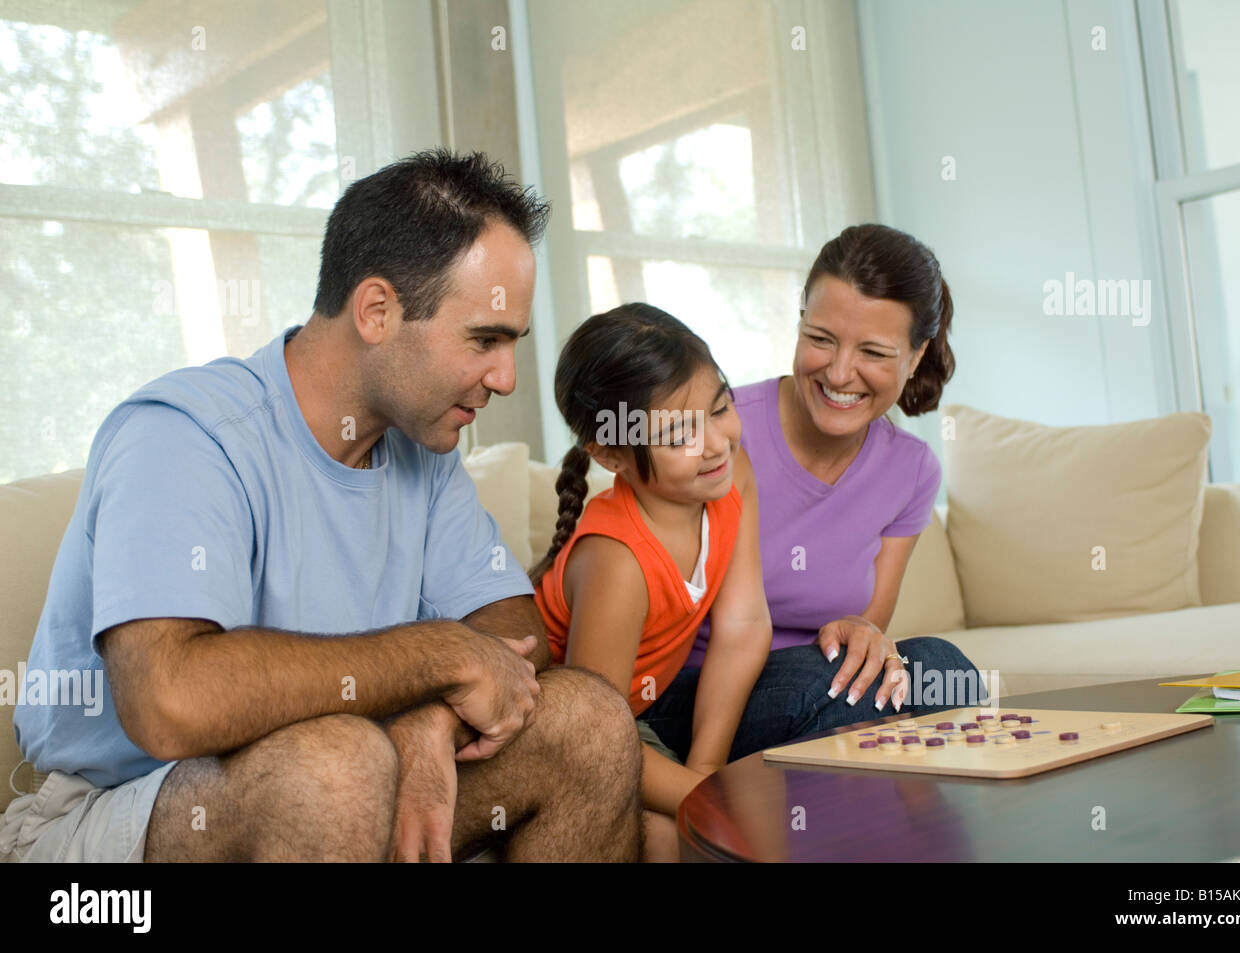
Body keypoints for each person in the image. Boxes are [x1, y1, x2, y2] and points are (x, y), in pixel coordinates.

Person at [2, 150, 642, 864]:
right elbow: (168, 702)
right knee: (336, 768)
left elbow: (516, 634)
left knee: (589, 721)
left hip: (345, 769)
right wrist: (438, 656)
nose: (505, 376)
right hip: (110, 815)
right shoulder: (183, 434)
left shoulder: (419, 449)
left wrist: (430, 717)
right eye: (484, 339)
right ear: (377, 310)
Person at [640, 224, 985, 761]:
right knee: (841, 692)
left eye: (873, 351)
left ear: (915, 357)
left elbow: (870, 624)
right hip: (697, 697)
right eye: (821, 339)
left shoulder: (912, 470)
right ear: (799, 322)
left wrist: (864, 630)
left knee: (944, 670)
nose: (840, 372)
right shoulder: (721, 434)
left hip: (820, 695)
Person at [530, 304, 772, 861]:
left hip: (643, 707)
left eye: (720, 408)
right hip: (581, 722)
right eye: (678, 433)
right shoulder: (617, 560)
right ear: (612, 454)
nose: (714, 443)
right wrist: (707, 798)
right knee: (664, 834)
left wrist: (707, 773)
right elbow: (596, 734)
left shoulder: (733, 473)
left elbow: (744, 623)